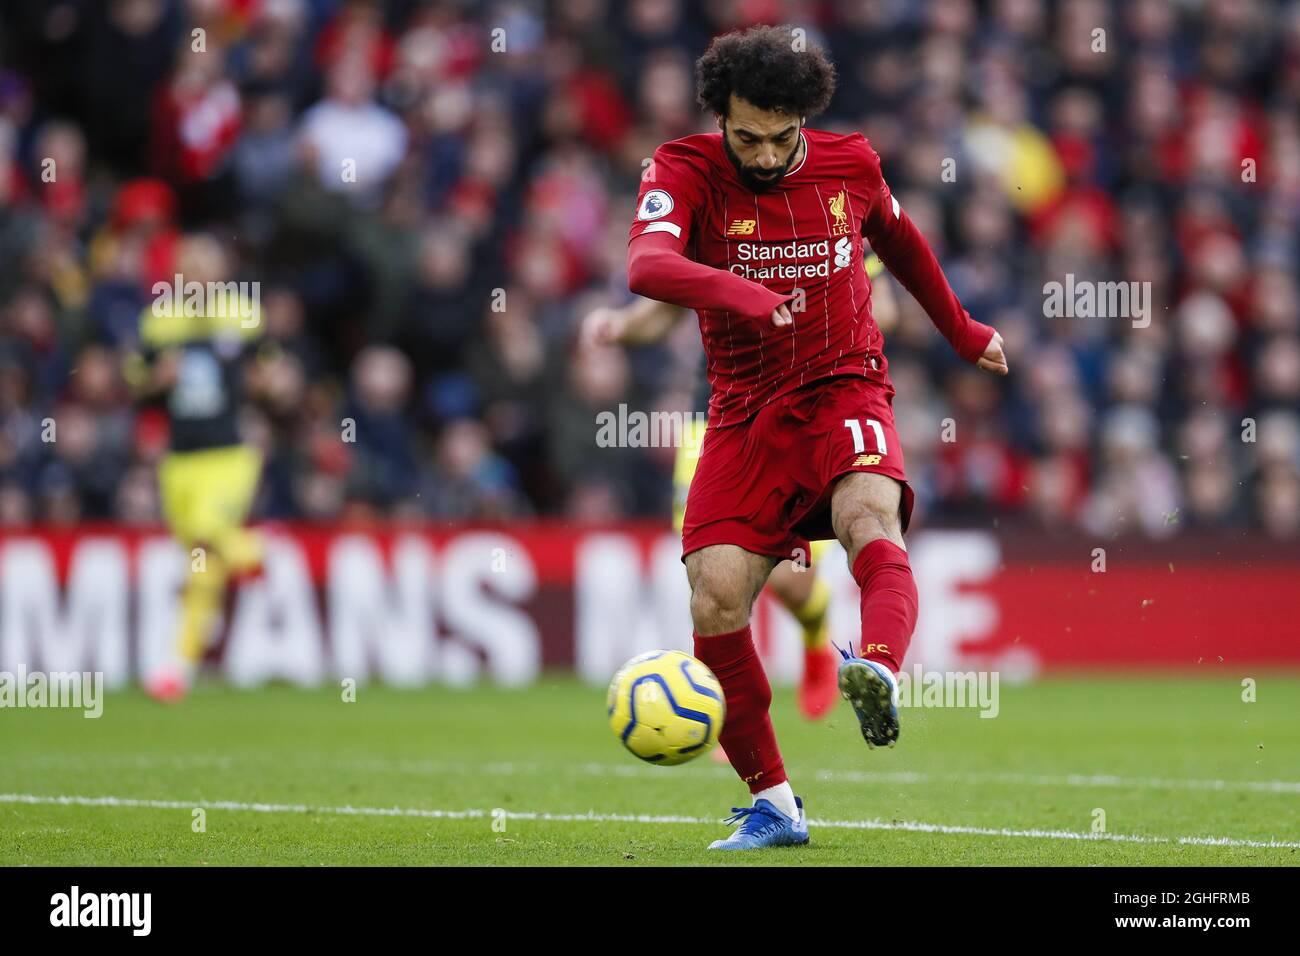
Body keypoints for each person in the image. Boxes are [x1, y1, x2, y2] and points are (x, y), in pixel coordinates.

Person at [625, 25, 1008, 850]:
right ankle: (775, 804)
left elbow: (901, 242)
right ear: (719, 118)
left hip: (844, 387)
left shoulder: (852, 164)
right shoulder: (681, 168)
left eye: (781, 137)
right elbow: (647, 269)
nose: (763, 156)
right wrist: (740, 292)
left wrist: (964, 330)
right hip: (742, 415)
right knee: (715, 596)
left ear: (805, 119)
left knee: (869, 516)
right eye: (746, 136)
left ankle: (875, 665)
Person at [580, 253, 899, 725]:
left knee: (790, 581)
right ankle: (732, 720)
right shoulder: (712, 207)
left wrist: (821, 314)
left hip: (810, 410)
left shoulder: (832, 201)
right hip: (721, 416)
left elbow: (886, 311)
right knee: (716, 579)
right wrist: (621, 325)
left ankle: (814, 628)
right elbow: (671, 304)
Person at [125, 235, 269, 702]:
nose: (200, 275)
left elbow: (274, 370)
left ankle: (257, 550)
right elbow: (133, 379)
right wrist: (153, 380)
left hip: (228, 455)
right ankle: (180, 666)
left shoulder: (244, 316)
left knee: (208, 535)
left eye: (208, 266)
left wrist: (276, 383)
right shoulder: (159, 322)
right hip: (178, 459)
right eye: (191, 266)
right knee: (201, 567)